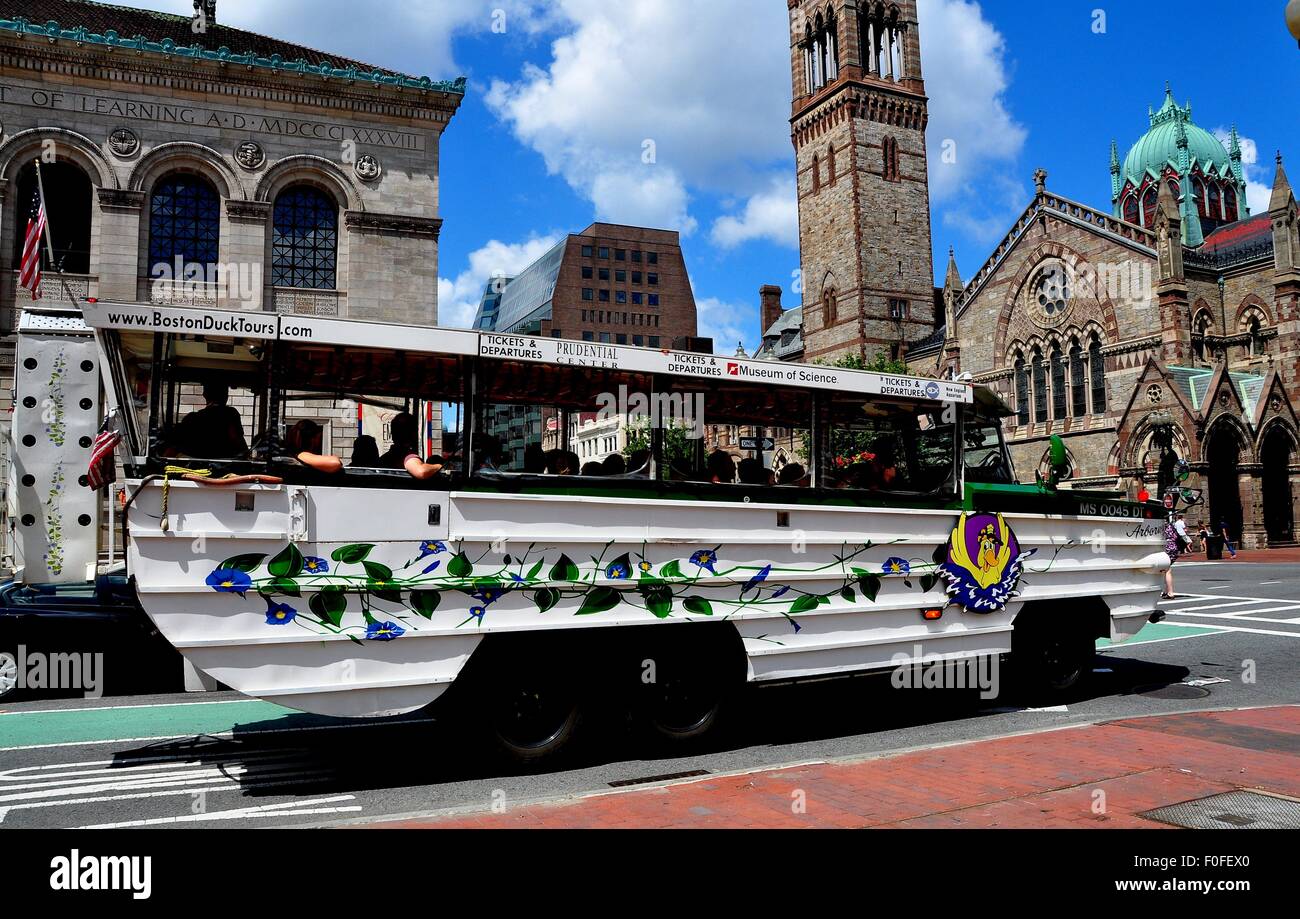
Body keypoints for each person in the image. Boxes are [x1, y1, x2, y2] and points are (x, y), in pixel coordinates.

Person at [176, 382, 248, 459]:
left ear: (204, 395)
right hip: (226, 467)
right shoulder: (230, 414)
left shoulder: (190, 419)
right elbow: (239, 442)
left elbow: (177, 446)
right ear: (226, 397)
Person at [1162, 512, 1181, 600]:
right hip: (1174, 548)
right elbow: (1176, 536)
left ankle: (1170, 592)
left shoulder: (1160, 526)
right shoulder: (1170, 525)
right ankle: (1166, 591)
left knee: (1167, 570)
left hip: (1166, 547)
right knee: (1164, 569)